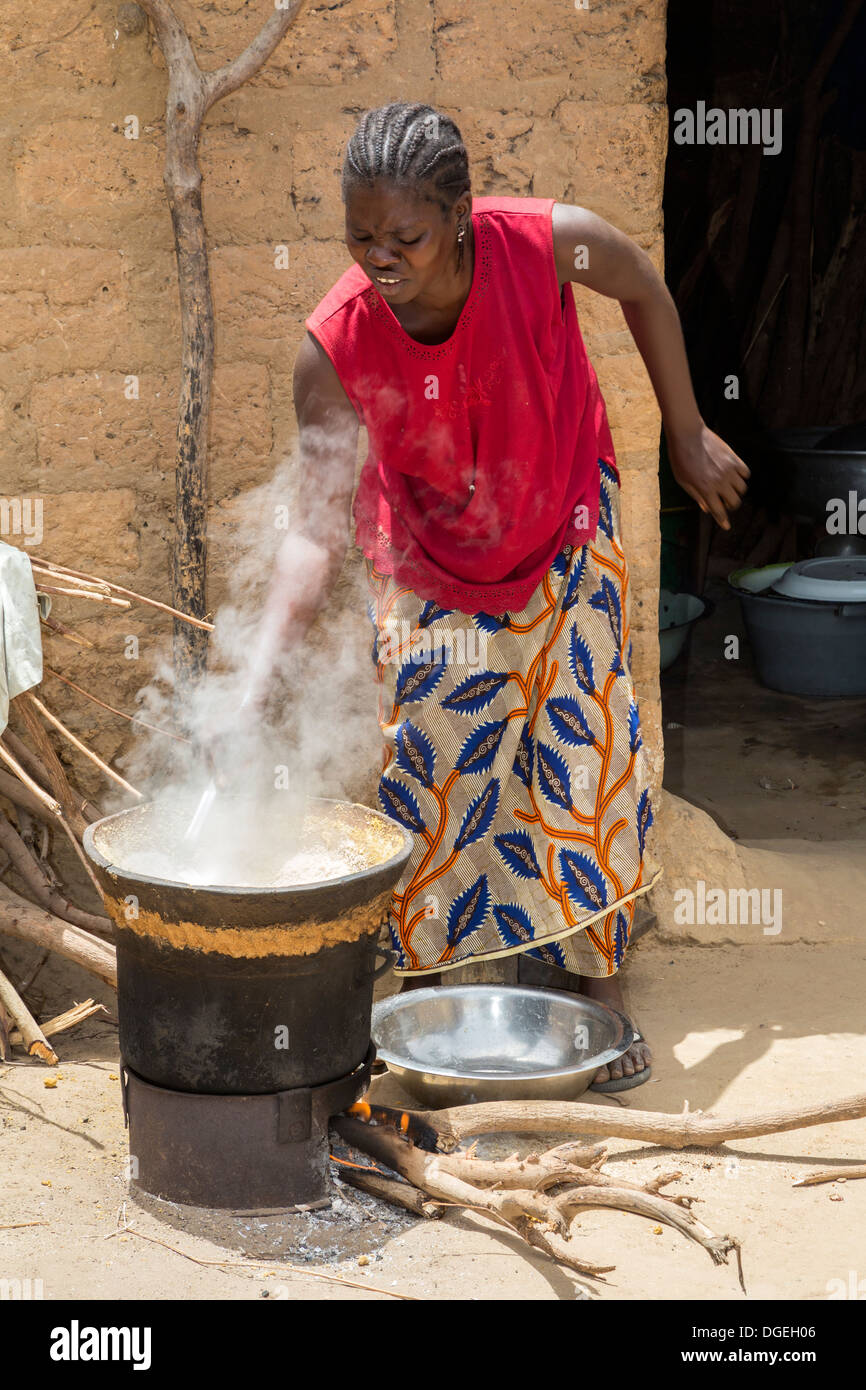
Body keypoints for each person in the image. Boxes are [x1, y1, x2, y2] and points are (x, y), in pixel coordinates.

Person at [251, 102, 749, 1091]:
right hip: (431, 557)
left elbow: (644, 285)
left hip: (561, 519)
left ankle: (598, 993)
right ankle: (430, 995)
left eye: (406, 236)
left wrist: (681, 429)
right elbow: (312, 527)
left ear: (460, 215)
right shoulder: (335, 345)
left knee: (583, 752)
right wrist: (259, 664)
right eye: (360, 236)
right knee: (433, 768)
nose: (379, 257)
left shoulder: (543, 245)